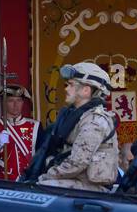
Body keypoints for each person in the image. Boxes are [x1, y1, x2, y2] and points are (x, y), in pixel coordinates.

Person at [36, 62, 119, 192]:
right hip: (76, 182)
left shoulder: (95, 120)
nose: (66, 89)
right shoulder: (78, 117)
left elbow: (77, 163)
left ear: (86, 90)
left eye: (71, 85)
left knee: (42, 188)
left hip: (93, 188)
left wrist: (47, 175)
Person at [0, 84, 37, 180]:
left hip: (29, 182)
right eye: (11, 101)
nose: (16, 105)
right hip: (3, 182)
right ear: (4, 103)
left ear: (23, 102)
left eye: (19, 100)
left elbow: (42, 155)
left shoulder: (35, 126)